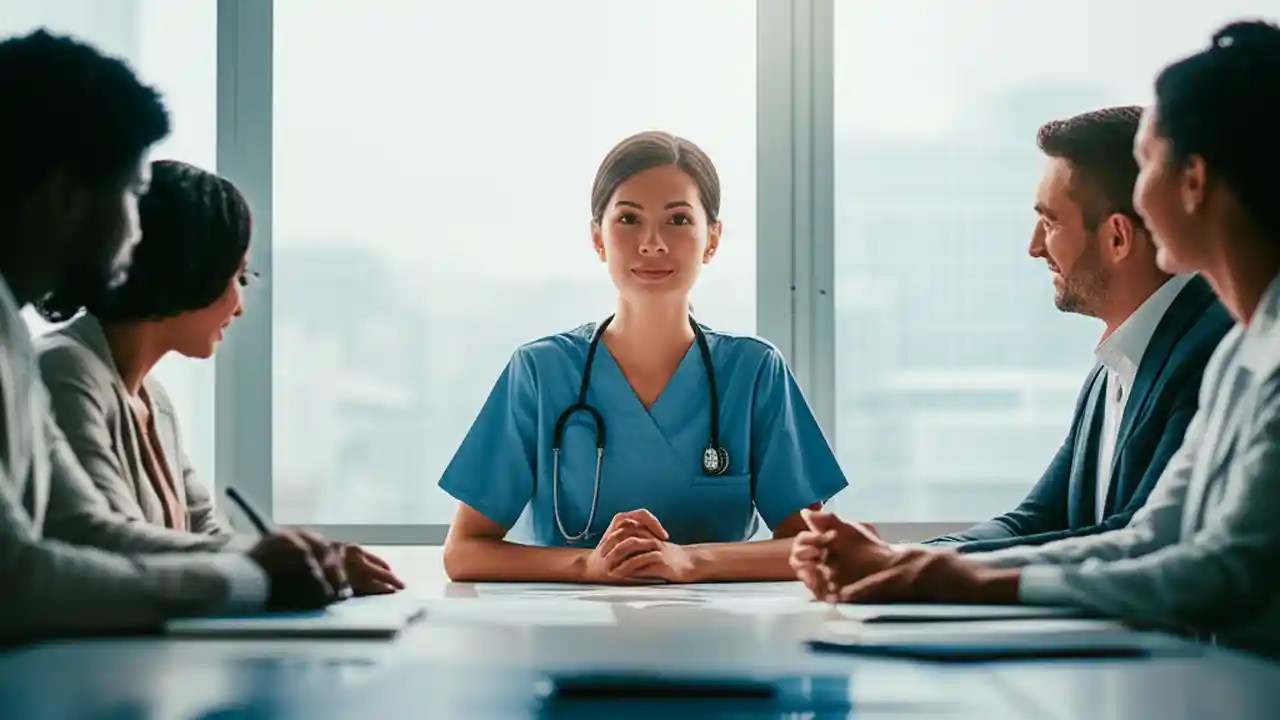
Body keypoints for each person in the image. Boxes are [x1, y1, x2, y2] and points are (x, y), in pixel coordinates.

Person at [791, 20, 1280, 659]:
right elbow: (1151, 535)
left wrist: (965, 582)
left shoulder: (1219, 351)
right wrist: (918, 565)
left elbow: (1221, 572)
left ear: (1192, 180)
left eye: (1147, 163)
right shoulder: (1236, 354)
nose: (1137, 194)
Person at [0, 29, 340, 641]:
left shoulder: (12, 342)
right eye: (131, 194)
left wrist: (282, 563)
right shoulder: (58, 366)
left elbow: (84, 528)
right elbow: (18, 578)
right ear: (66, 196)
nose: (137, 224)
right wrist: (252, 579)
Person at [440, 131, 847, 583]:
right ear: (598, 238)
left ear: (712, 239)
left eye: (677, 220)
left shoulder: (753, 372)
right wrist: (587, 565)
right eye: (629, 219)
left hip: (719, 634)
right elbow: (463, 552)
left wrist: (691, 561)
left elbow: (815, 546)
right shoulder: (539, 372)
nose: (652, 242)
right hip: (569, 633)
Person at [35, 159, 404, 596]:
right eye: (239, 277)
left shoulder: (155, 398)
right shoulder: (64, 371)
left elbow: (206, 534)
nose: (240, 305)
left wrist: (312, 561)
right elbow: (105, 539)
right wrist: (269, 563)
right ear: (191, 267)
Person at [923, 108, 1231, 553]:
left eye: (1050, 223)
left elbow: (1134, 541)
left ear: (1118, 239)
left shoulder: (1209, 353)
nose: (1033, 248)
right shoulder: (1117, 360)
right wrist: (901, 559)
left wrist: (925, 571)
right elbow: (1035, 519)